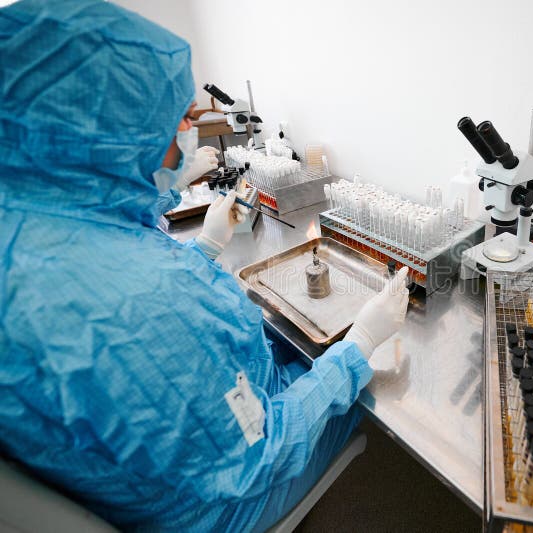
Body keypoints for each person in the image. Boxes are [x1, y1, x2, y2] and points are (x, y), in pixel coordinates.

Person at [0, 1, 409, 531]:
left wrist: (204, 252)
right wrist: (358, 347)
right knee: (360, 389)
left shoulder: (35, 224)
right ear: (115, 129)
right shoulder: (133, 306)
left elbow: (141, 301)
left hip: (167, 455)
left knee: (307, 359)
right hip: (224, 499)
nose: (190, 131)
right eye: (180, 119)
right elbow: (262, 449)